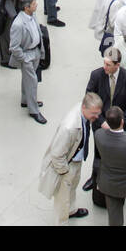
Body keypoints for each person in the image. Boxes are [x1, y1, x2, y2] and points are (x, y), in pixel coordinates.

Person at [38, 92, 102, 224]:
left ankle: (71, 210)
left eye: (98, 113)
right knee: (62, 199)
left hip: (75, 159)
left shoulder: (84, 113)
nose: (97, 117)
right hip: (66, 165)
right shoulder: (69, 128)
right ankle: (62, 221)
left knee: (72, 187)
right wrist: (64, 172)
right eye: (94, 113)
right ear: (84, 107)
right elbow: (57, 154)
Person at [10, 0, 45, 123]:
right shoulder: (18, 24)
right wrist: (24, 59)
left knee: (27, 80)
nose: (36, 5)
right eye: (34, 4)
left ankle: (25, 100)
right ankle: (34, 110)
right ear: (26, 7)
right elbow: (14, 47)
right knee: (32, 82)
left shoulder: (32, 15)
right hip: (27, 56)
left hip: (35, 52)